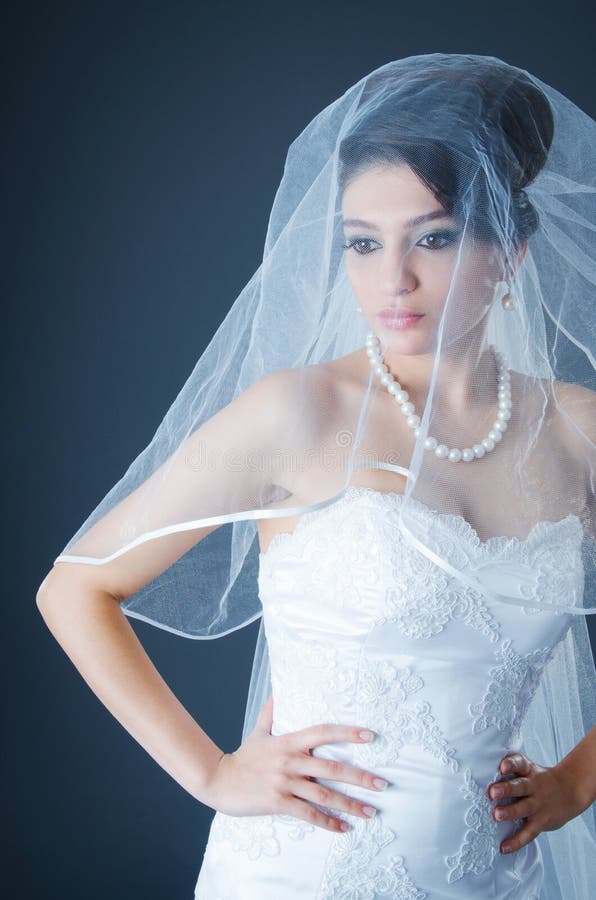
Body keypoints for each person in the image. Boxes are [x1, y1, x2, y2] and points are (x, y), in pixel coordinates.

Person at [37, 53, 595, 898]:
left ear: (511, 250)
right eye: (363, 244)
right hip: (306, 874)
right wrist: (213, 775)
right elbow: (72, 589)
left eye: (434, 239)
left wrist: (575, 784)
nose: (391, 280)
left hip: (491, 878)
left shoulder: (577, 429)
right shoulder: (298, 414)